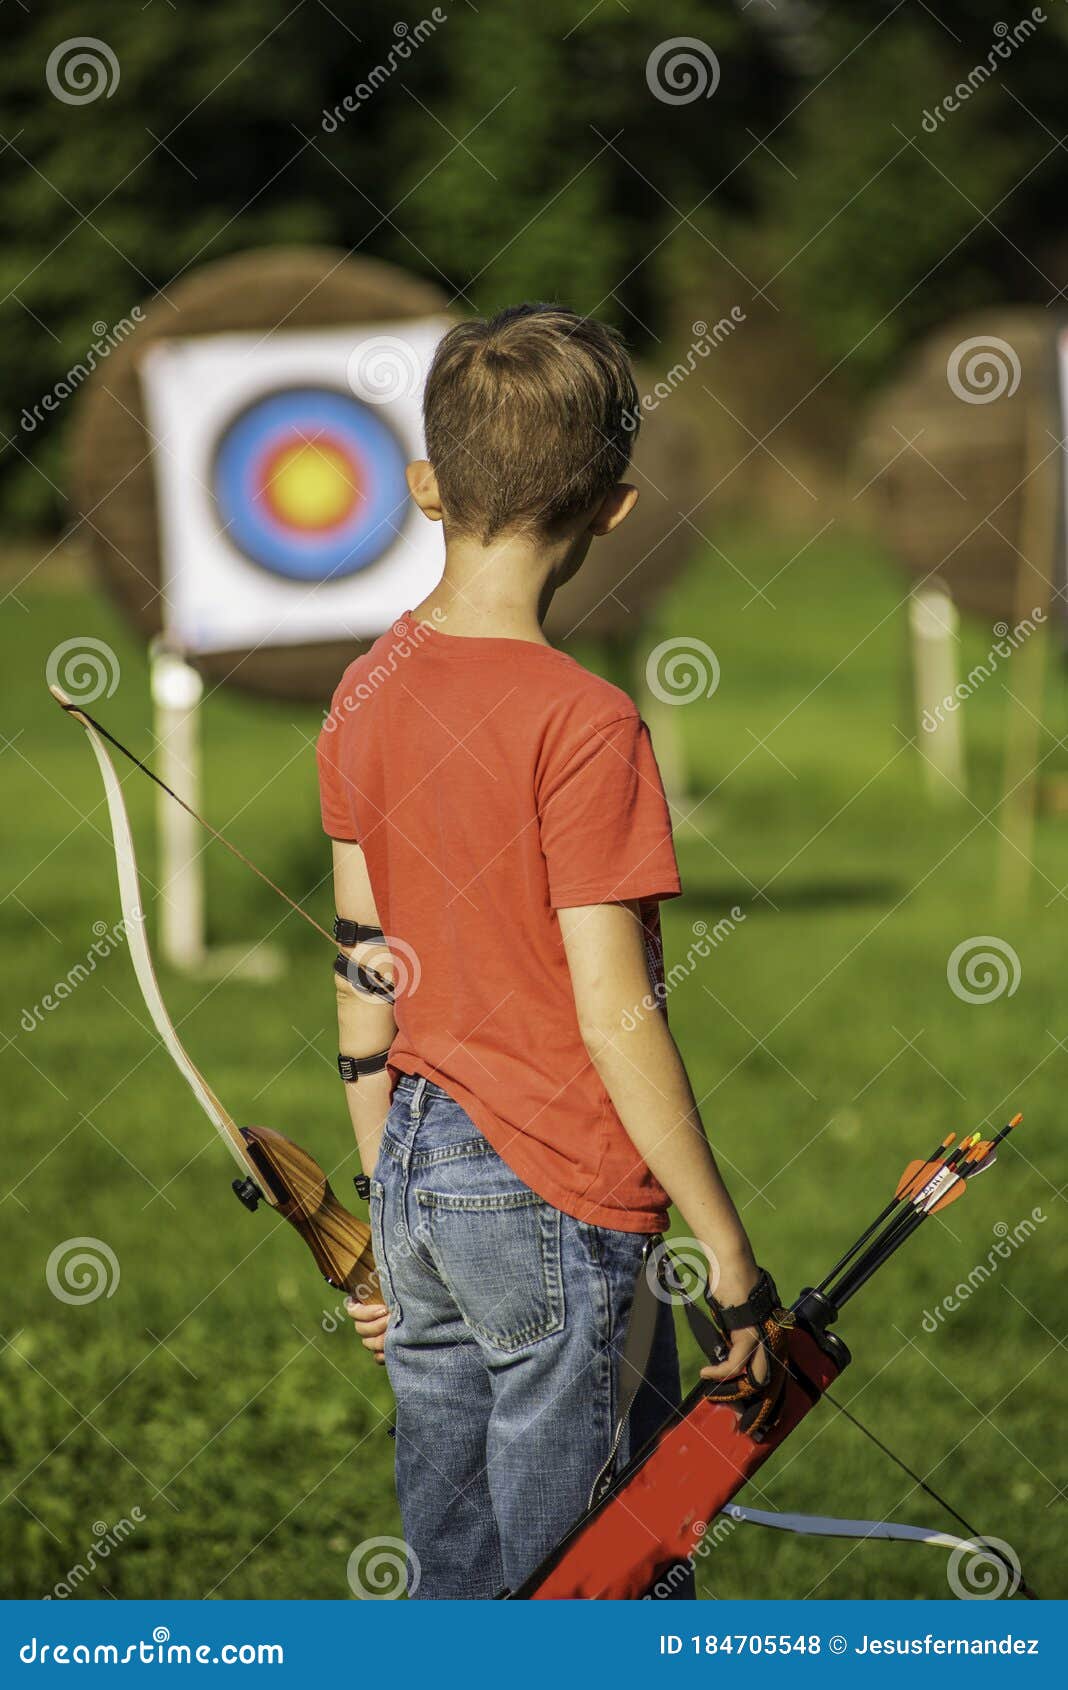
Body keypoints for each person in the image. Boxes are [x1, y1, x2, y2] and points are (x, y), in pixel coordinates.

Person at [317, 304, 765, 1600]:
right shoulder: (587, 720)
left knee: (461, 1574)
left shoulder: (367, 686)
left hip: (416, 1164)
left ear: (422, 486)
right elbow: (615, 1013)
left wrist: (386, 1220)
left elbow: (362, 963)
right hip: (555, 1189)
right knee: (596, 1580)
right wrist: (727, 1249)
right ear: (616, 508)